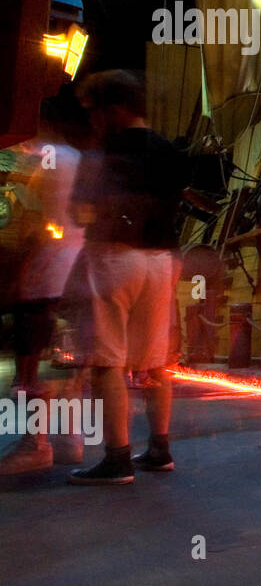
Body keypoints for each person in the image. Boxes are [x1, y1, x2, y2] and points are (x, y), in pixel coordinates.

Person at [65, 70, 187, 485]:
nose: (92, 122)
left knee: (107, 360)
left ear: (113, 110)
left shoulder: (103, 152)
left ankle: (116, 458)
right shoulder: (170, 151)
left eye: (94, 111)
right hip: (162, 261)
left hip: (115, 258)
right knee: (156, 361)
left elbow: (78, 211)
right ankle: (158, 449)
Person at [0, 89, 88, 474]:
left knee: (31, 368)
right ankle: (70, 441)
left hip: (47, 271)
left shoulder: (45, 157)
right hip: (77, 267)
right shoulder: (81, 158)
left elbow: (31, 215)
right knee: (69, 363)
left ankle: (34, 444)